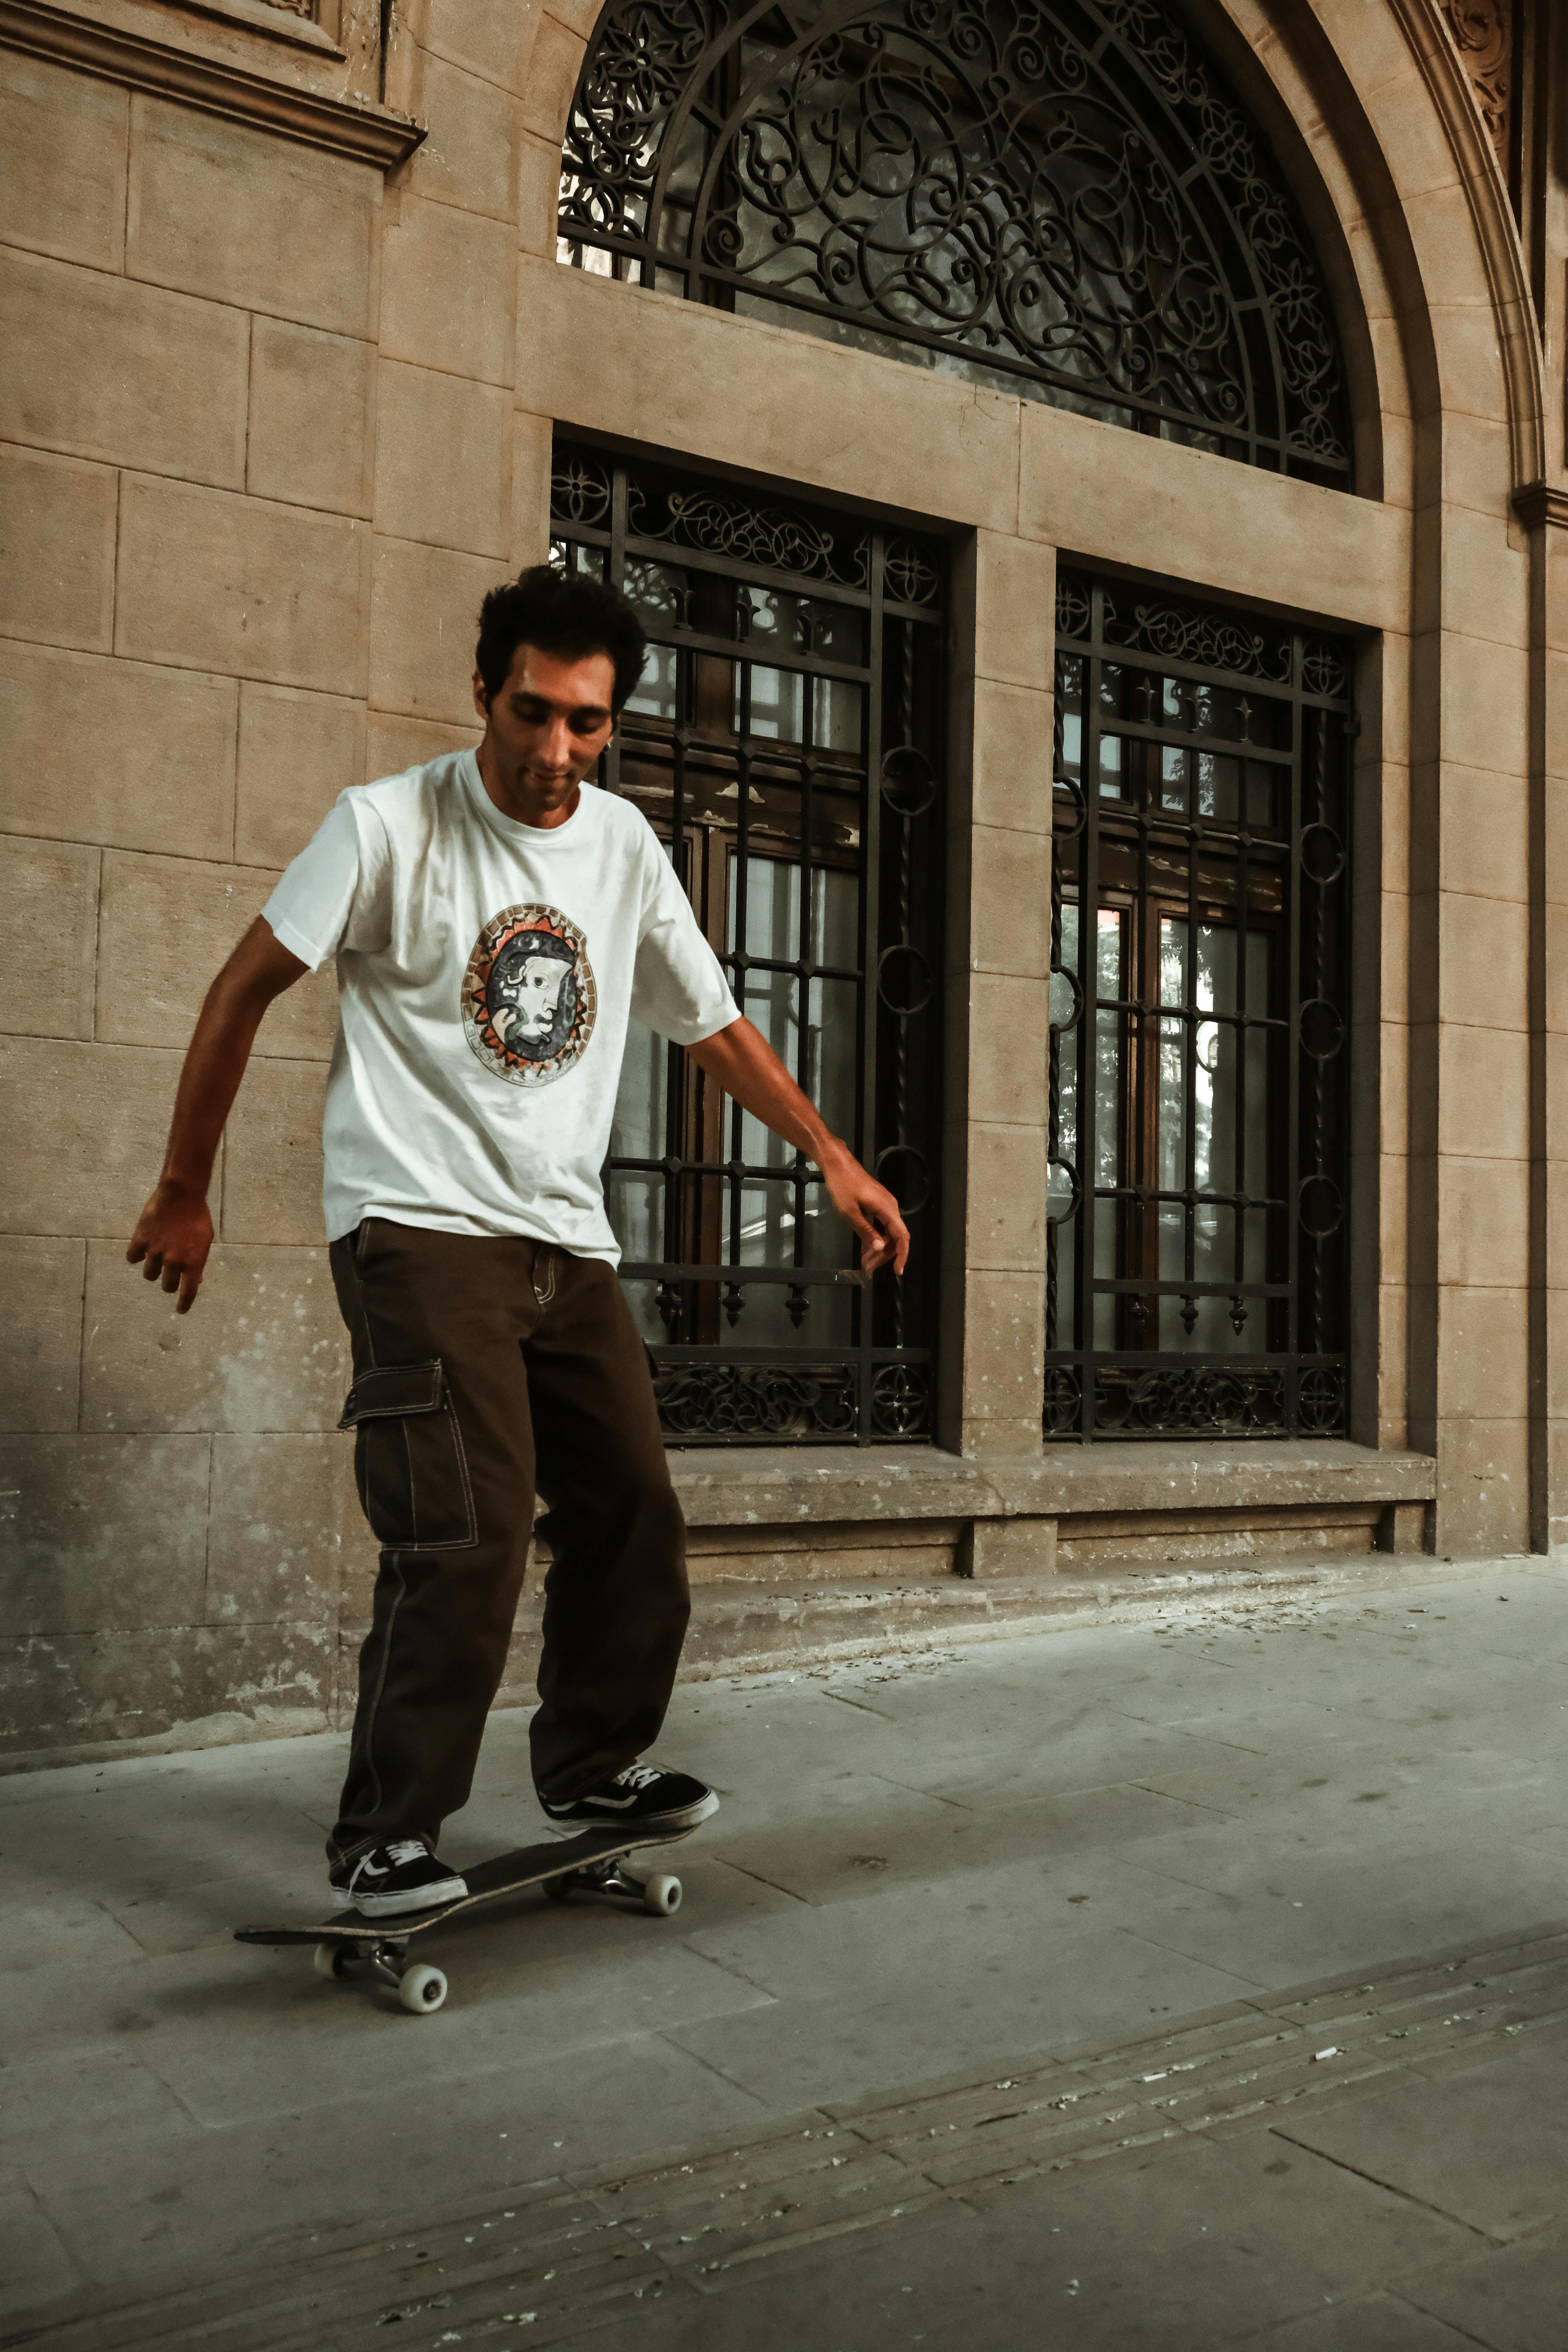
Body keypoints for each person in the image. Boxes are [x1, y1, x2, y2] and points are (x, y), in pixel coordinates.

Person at [126, 566, 909, 1918]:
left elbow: (712, 1023)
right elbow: (243, 987)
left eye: (585, 723)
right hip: (419, 1229)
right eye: (531, 714)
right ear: (484, 693)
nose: (556, 751)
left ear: (614, 722)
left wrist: (828, 1152)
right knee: (465, 1531)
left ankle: (593, 1771)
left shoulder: (624, 846)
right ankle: (387, 1837)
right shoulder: (387, 825)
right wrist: (185, 1186)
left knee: (632, 1510)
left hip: (564, 1239)